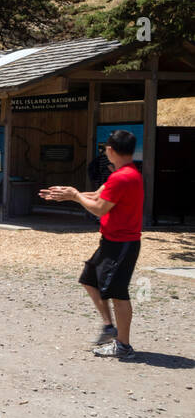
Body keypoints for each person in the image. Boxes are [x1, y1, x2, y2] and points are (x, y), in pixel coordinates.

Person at [40, 129, 143, 360]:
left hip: (122, 243)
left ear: (110, 150)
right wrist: (66, 194)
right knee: (89, 279)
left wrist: (75, 196)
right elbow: (98, 196)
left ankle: (123, 345)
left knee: (118, 293)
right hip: (111, 241)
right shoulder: (125, 173)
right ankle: (109, 327)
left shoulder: (122, 176)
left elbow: (99, 208)